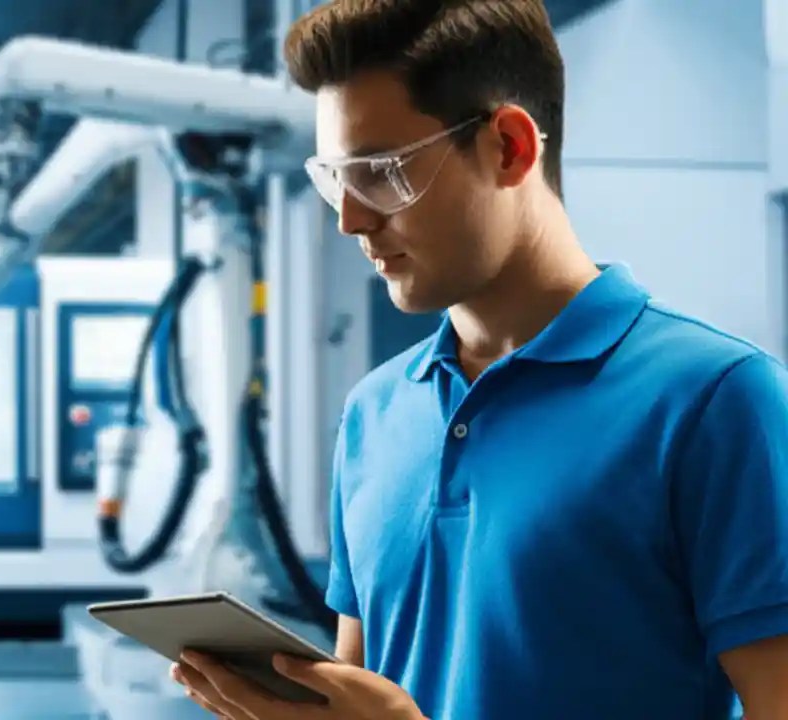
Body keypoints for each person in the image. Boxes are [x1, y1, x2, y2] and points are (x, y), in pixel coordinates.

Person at [169, 1, 788, 718]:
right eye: (335, 177)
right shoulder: (375, 414)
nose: (351, 219)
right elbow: (357, 692)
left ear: (509, 148)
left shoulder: (717, 402)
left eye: (380, 172)